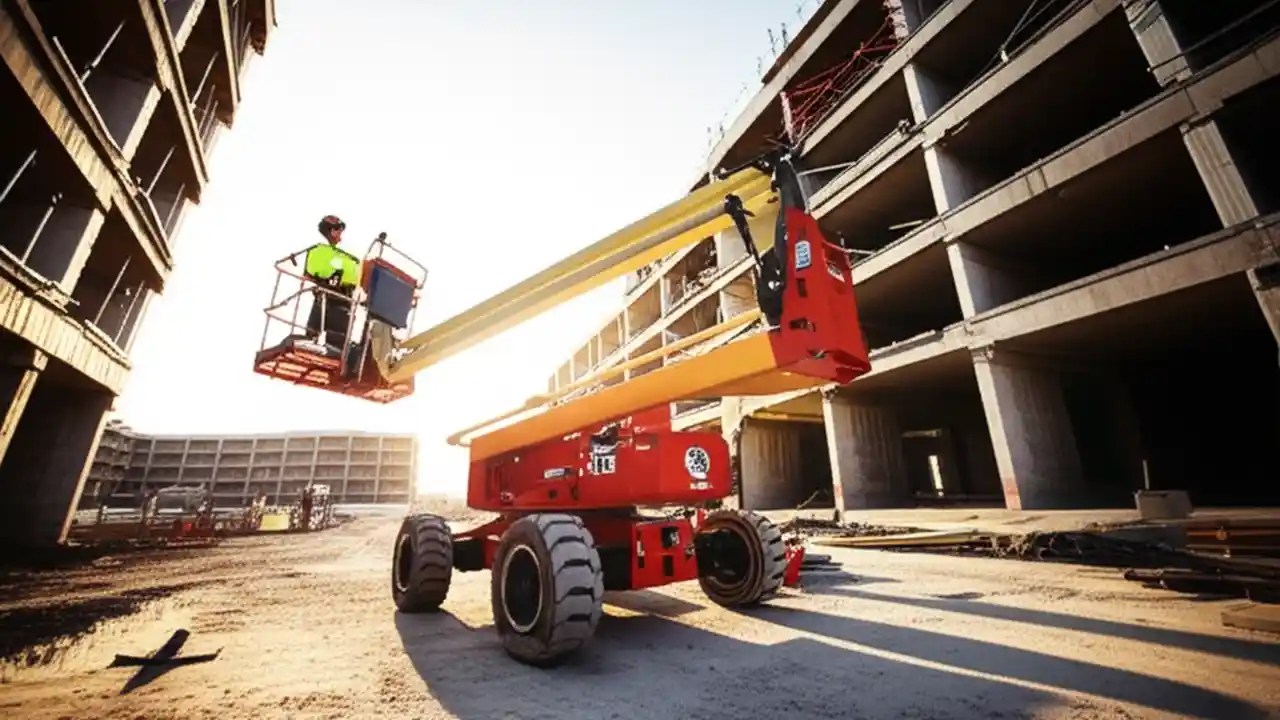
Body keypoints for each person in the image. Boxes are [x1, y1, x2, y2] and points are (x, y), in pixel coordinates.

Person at [302, 214, 361, 350]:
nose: (339, 233)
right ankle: (312, 343)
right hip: (325, 295)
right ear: (328, 231)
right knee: (312, 336)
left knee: (336, 342)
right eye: (336, 230)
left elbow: (354, 274)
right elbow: (310, 272)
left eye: (340, 230)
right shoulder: (320, 250)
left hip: (342, 298)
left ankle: (333, 350)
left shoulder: (345, 254)